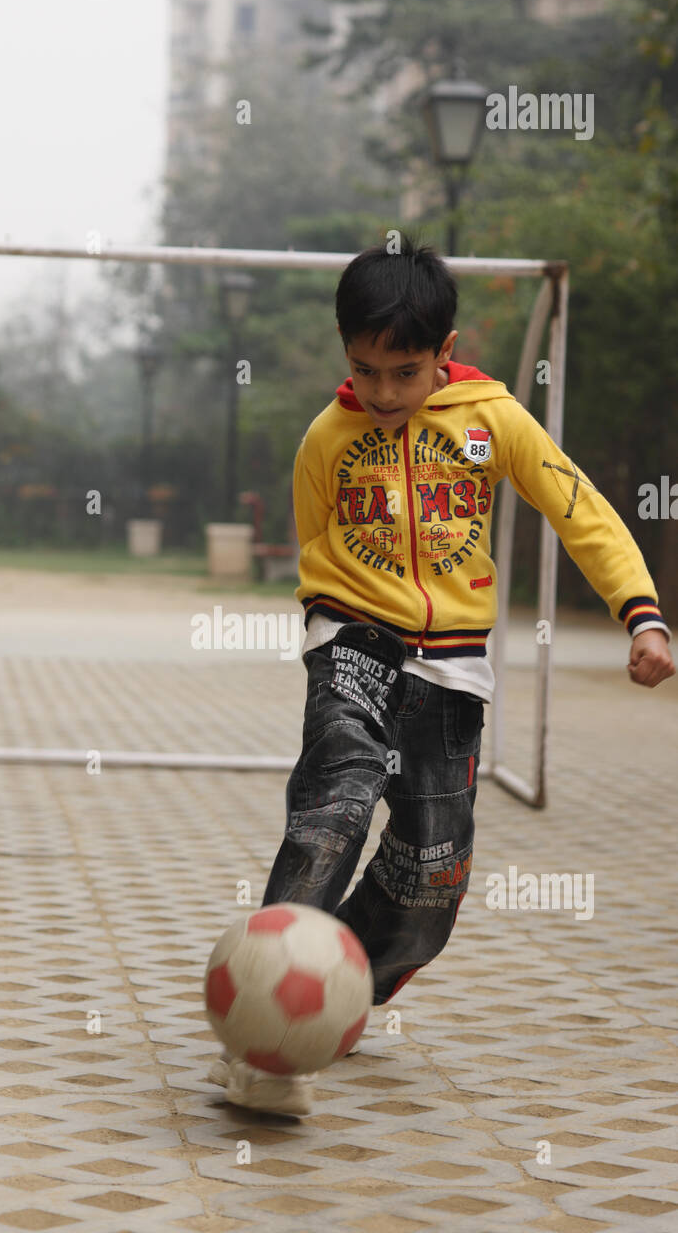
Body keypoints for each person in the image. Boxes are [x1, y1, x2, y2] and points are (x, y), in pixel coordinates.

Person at [212, 234, 674, 1116]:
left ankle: (316, 992)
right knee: (334, 802)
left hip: (454, 671)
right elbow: (318, 547)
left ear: (446, 353)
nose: (382, 393)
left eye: (405, 371)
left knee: (431, 881)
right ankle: (263, 1049)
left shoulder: (495, 422)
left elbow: (580, 510)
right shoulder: (328, 436)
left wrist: (641, 612)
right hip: (354, 641)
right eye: (364, 369)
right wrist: (328, 632)